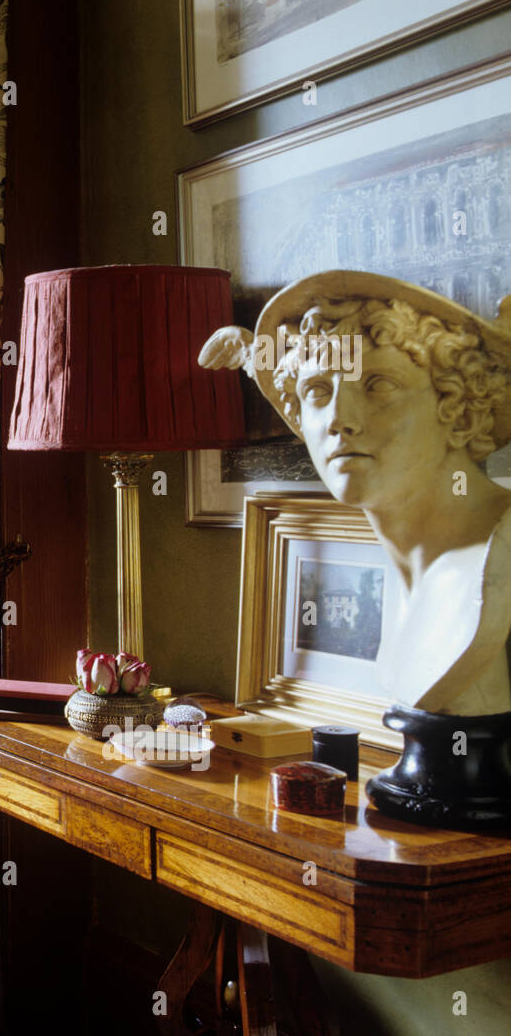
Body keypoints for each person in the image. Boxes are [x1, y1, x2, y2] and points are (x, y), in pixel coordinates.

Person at [200, 270, 511, 717]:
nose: (339, 419)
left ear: (458, 409)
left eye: (378, 384)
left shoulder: (492, 558)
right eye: (317, 390)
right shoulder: (404, 568)